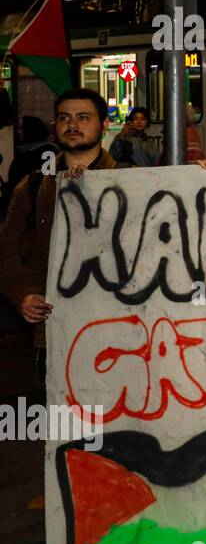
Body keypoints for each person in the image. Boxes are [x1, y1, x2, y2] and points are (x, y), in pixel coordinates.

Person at [0, 88, 130, 402]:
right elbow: (8, 253)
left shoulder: (133, 180)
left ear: (102, 125)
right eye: (64, 118)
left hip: (125, 338)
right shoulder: (32, 187)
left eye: (83, 117)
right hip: (57, 337)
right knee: (67, 434)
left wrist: (199, 175)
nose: (72, 124)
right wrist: (24, 295)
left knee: (122, 436)